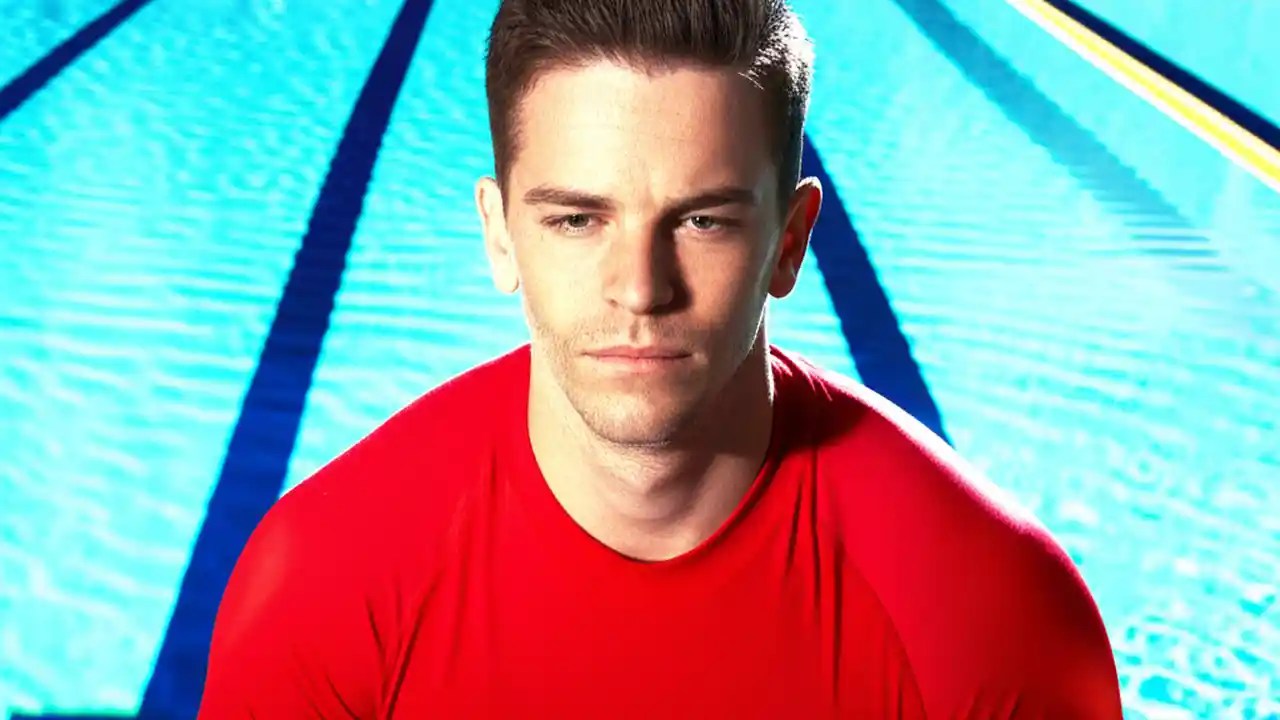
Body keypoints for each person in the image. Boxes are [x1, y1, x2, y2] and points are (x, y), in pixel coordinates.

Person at [198, 0, 1124, 717]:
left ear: (792, 241)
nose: (640, 289)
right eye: (577, 219)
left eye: (703, 220)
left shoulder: (990, 611)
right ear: (500, 235)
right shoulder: (324, 590)